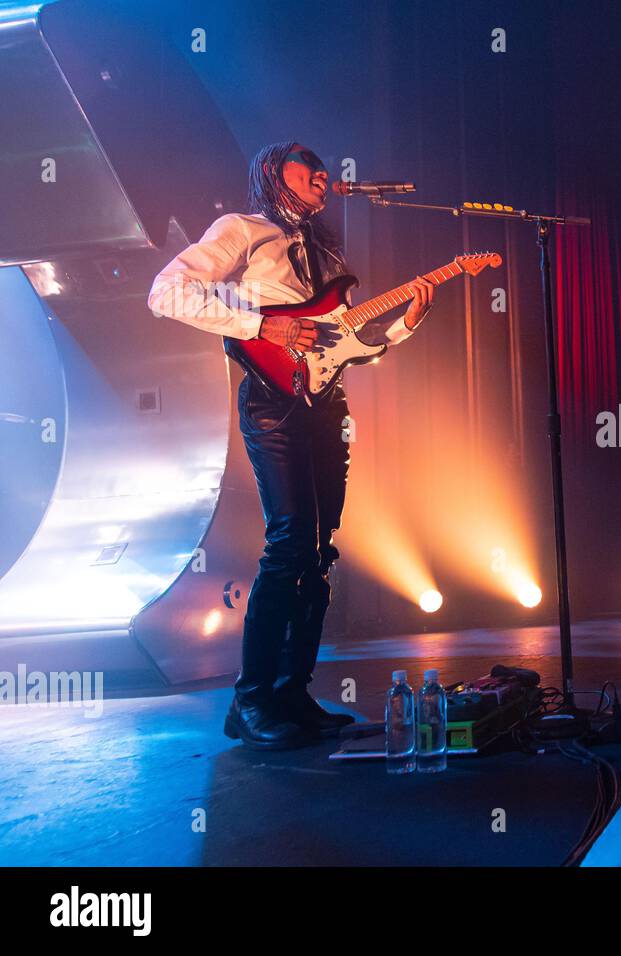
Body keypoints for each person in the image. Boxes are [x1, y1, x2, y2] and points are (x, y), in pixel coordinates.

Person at [148, 142, 437, 748]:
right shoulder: (242, 230)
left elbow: (346, 344)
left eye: (326, 168)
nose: (324, 175)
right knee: (288, 542)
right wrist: (261, 324)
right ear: (275, 174)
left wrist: (405, 324)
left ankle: (293, 693)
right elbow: (166, 292)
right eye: (309, 166)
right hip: (272, 403)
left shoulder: (326, 250)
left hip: (326, 405)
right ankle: (249, 701)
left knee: (319, 549)